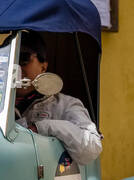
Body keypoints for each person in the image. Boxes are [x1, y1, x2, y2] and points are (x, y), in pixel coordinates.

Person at [14, 31, 102, 165]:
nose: (16, 67)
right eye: (7, 60)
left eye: (23, 58)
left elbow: (92, 148)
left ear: (43, 66)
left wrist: (43, 127)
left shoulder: (65, 105)